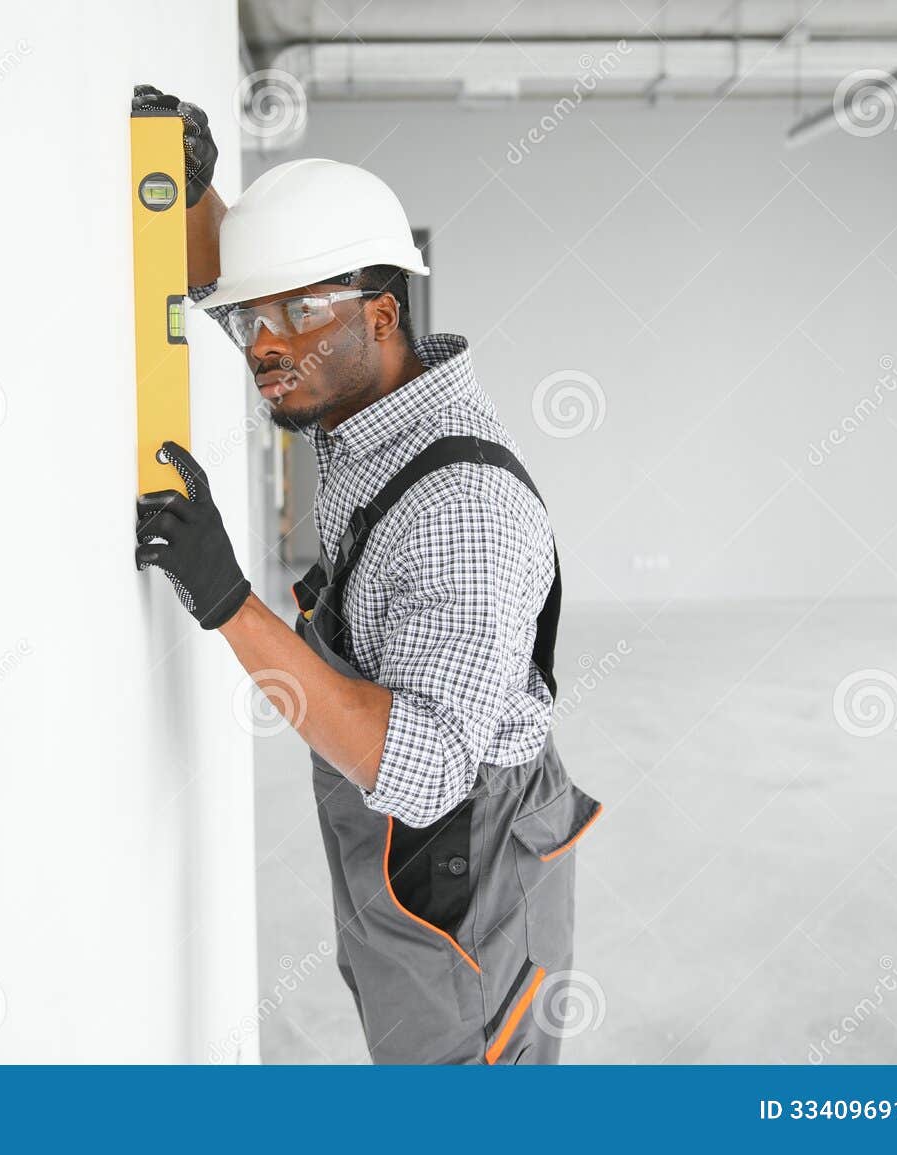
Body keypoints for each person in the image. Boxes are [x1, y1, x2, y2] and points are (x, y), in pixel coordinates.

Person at [130, 86, 601, 1064]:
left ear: (380, 314)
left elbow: (426, 774)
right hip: (403, 858)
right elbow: (275, 320)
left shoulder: (460, 509)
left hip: (461, 868)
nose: (264, 347)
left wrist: (227, 601)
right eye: (251, 319)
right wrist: (198, 198)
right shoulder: (355, 393)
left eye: (293, 316)